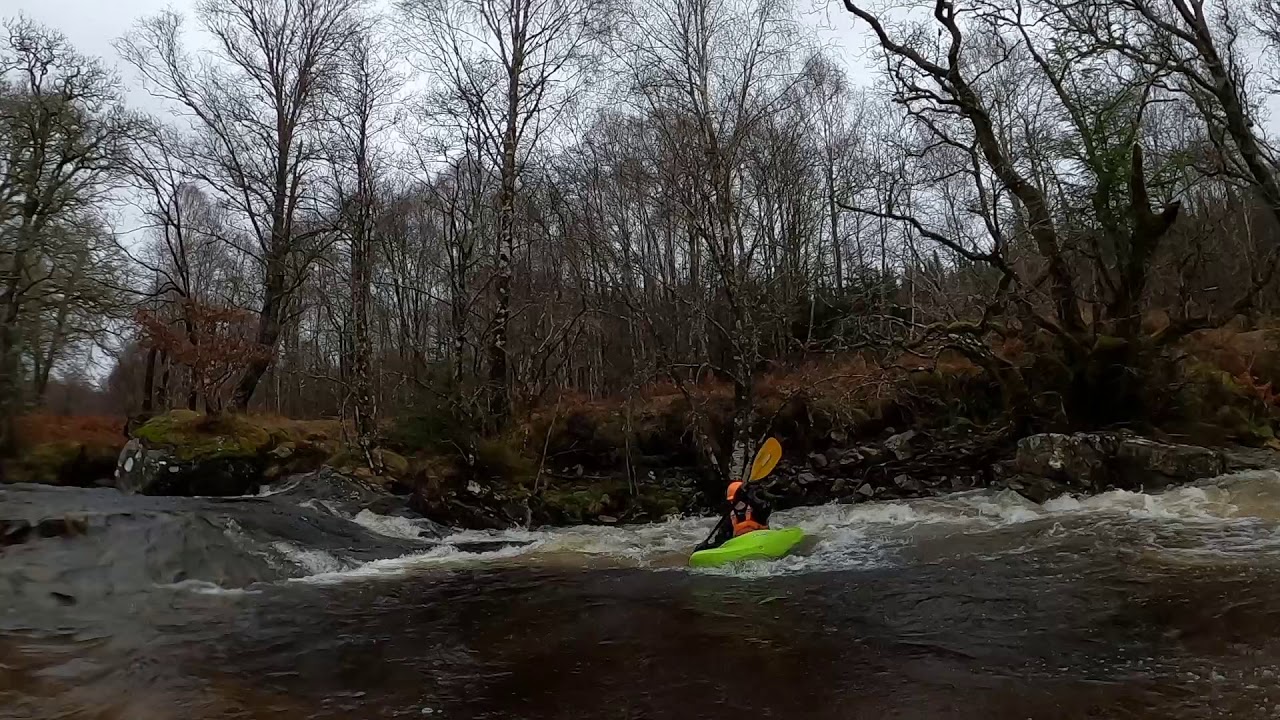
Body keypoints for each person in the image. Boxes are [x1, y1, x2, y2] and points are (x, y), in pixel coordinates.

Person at [694, 479, 772, 552]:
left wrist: (756, 491)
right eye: (731, 501)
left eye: (733, 500)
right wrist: (708, 547)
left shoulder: (756, 507)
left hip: (761, 541)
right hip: (742, 546)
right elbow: (721, 540)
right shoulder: (730, 517)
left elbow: (767, 507)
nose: (732, 503)